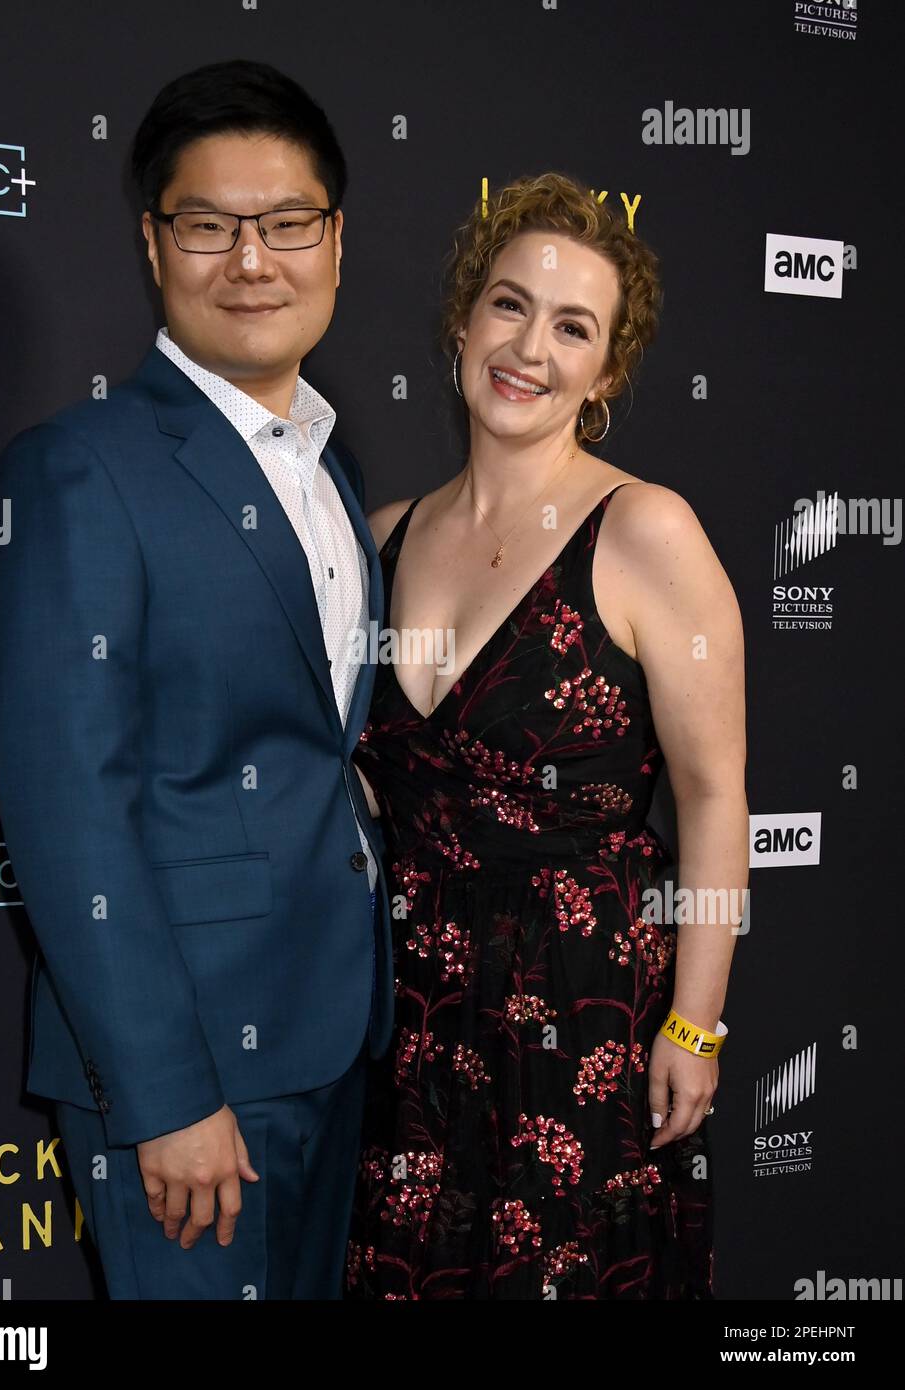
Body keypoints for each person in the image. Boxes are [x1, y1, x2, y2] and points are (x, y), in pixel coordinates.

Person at [0, 59, 394, 1300]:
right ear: (156, 247)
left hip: (333, 1035)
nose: (251, 261)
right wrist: (164, 1096)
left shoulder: (330, 464)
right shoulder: (76, 470)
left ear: (336, 239)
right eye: (210, 226)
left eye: (287, 225)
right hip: (187, 1079)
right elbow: (66, 806)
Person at [345, 173, 748, 1299]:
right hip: (411, 1022)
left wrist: (697, 1028)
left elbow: (716, 799)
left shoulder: (646, 531)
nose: (530, 346)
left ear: (606, 370)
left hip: (583, 1021)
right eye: (510, 305)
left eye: (574, 327)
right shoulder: (378, 537)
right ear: (464, 321)